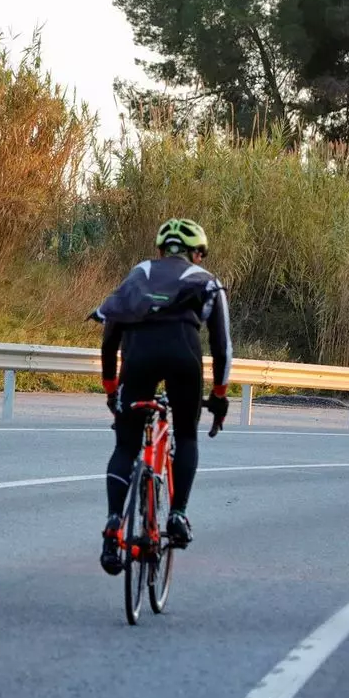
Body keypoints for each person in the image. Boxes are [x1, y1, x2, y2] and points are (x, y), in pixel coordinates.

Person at [90, 218, 232, 576]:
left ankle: (112, 528)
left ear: (159, 250)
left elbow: (111, 334)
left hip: (137, 358)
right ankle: (178, 514)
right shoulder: (207, 281)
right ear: (197, 254)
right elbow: (222, 346)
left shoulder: (138, 274)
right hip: (183, 355)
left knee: (125, 446)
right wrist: (218, 395)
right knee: (185, 435)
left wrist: (111, 388)